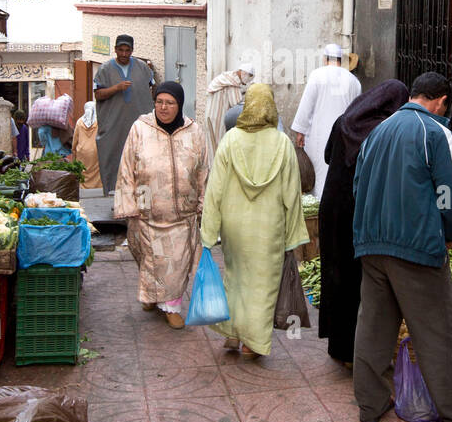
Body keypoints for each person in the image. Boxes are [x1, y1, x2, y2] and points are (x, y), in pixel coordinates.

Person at [352, 72, 452, 422]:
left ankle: (370, 404)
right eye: (447, 106)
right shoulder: (433, 132)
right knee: (440, 335)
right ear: (441, 100)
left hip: (372, 245)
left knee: (374, 327)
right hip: (416, 247)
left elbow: (359, 185)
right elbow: (448, 194)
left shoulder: (378, 131)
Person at [200, 84, 308, 357]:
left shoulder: (231, 139)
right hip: (268, 228)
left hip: (234, 226)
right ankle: (253, 342)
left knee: (235, 278)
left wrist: (209, 232)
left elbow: (215, 189)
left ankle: (232, 334)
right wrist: (294, 235)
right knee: (262, 286)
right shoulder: (282, 143)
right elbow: (291, 193)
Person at [317, 79, 410, 367]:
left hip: (331, 207)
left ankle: (337, 345)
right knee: (356, 281)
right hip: (358, 212)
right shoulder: (382, 131)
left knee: (334, 275)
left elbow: (327, 155)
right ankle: (351, 353)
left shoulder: (344, 120)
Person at [113, 81, 208, 329]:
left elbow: (203, 170)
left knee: (177, 263)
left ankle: (171, 306)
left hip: (182, 214)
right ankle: (152, 296)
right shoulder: (139, 128)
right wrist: (128, 205)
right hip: (146, 211)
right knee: (149, 259)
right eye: (159, 102)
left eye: (170, 103)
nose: (163, 107)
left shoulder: (194, 131)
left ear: (180, 105)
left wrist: (203, 202)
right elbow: (126, 170)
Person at [291, 43, 361, 198]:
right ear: (340, 60)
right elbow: (357, 109)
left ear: (325, 59)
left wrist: (300, 131)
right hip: (344, 136)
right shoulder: (353, 81)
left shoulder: (317, 75)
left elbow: (306, 105)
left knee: (319, 174)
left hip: (319, 136)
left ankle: (318, 209)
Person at [93, 34, 155, 194]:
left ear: (132, 51)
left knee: (142, 158)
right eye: (121, 50)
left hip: (139, 123)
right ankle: (114, 192)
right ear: (115, 50)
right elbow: (98, 95)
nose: (124, 54)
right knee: (113, 155)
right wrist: (116, 88)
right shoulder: (104, 69)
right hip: (114, 124)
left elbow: (152, 87)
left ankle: (142, 194)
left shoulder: (142, 68)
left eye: (127, 50)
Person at [202, 62, 256, 164]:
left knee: (211, 146)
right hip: (218, 118)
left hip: (210, 115)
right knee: (220, 146)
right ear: (243, 73)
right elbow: (236, 104)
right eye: (247, 79)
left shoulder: (226, 77)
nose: (245, 83)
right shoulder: (232, 83)